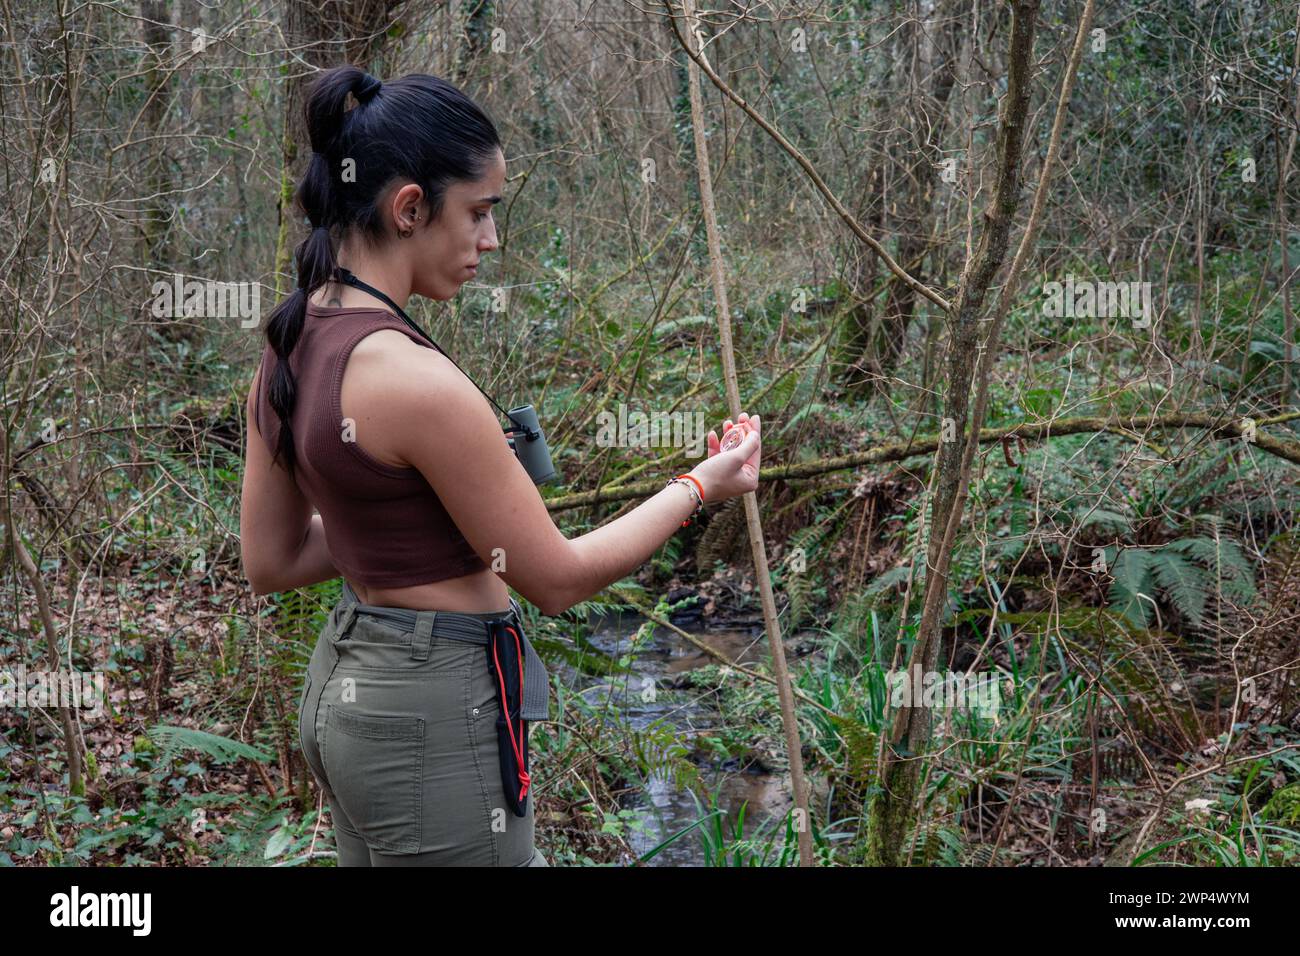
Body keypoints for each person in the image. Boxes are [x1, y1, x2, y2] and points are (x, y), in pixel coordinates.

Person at [239, 64, 762, 866]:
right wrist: (699, 485)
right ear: (409, 207)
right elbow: (556, 580)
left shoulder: (289, 343)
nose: (491, 240)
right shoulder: (417, 383)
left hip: (348, 697)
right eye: (479, 213)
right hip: (431, 718)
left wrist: (408, 514)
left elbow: (271, 561)